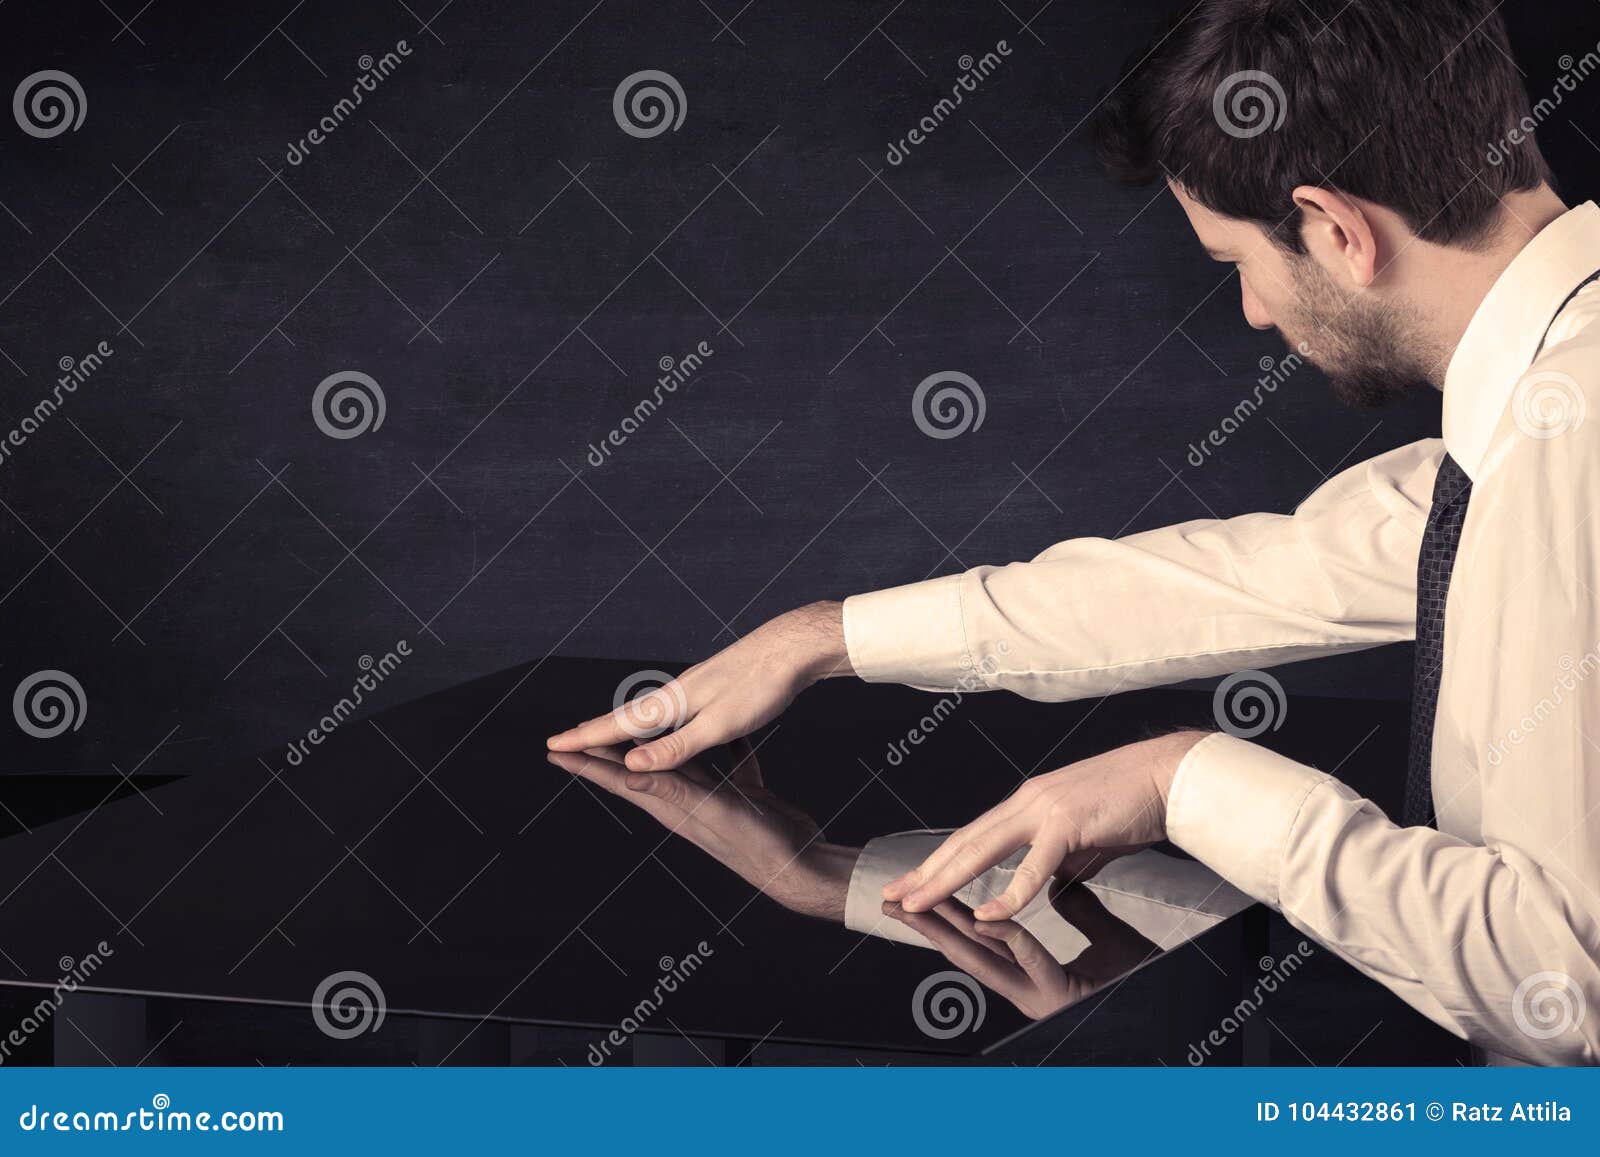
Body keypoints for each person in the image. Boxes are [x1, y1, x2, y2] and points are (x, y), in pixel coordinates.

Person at [552, 0, 1600, 1065]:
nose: (1249, 312)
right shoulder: (1547, 399)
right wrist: (826, 637)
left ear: (1334, 230)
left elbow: (1559, 982)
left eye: (1232, 259)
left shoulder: (1573, 437)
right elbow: (1257, 576)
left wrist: (1183, 779)